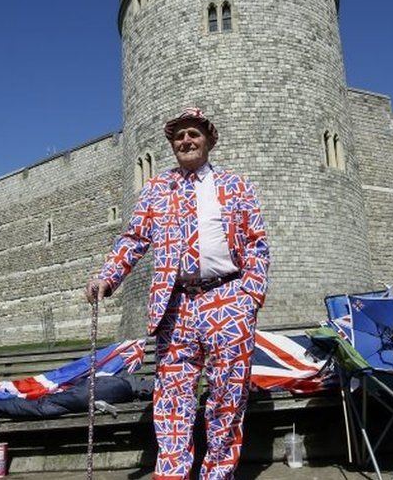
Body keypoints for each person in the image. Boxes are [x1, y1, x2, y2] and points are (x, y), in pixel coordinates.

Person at [86, 107, 269, 479]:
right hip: (176, 304)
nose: (186, 141)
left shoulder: (236, 186)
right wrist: (107, 277)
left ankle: (218, 472)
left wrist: (250, 298)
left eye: (193, 134)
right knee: (171, 397)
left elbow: (256, 244)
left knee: (227, 396)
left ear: (208, 140)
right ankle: (172, 474)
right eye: (179, 136)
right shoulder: (157, 188)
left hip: (229, 297)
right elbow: (134, 238)